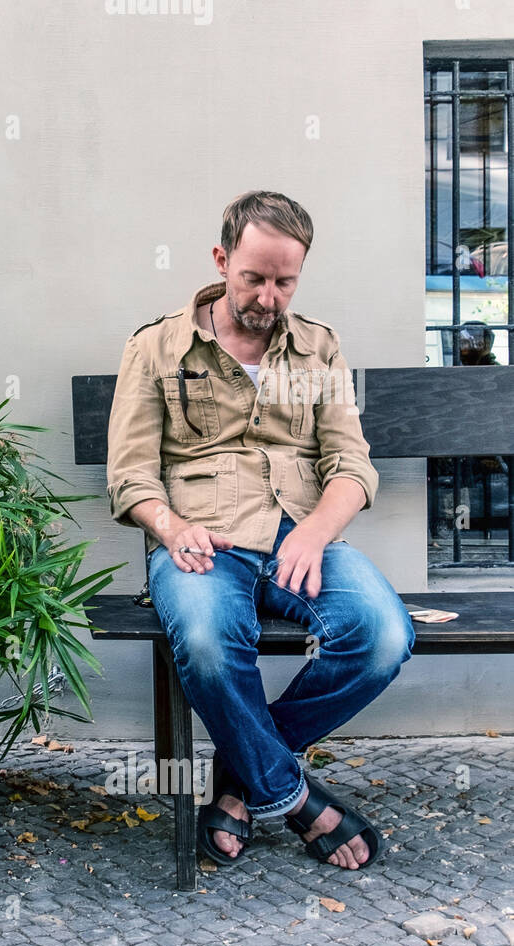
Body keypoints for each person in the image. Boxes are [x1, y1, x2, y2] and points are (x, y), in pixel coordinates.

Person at [105, 190, 415, 871]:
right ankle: (296, 800)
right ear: (222, 260)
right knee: (212, 647)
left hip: (300, 538)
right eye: (254, 277)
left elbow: (351, 464)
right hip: (202, 542)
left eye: (285, 281)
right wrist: (169, 524)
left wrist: (314, 532)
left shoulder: (319, 348)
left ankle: (241, 776)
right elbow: (130, 476)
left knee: (384, 635)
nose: (269, 297)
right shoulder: (156, 347)